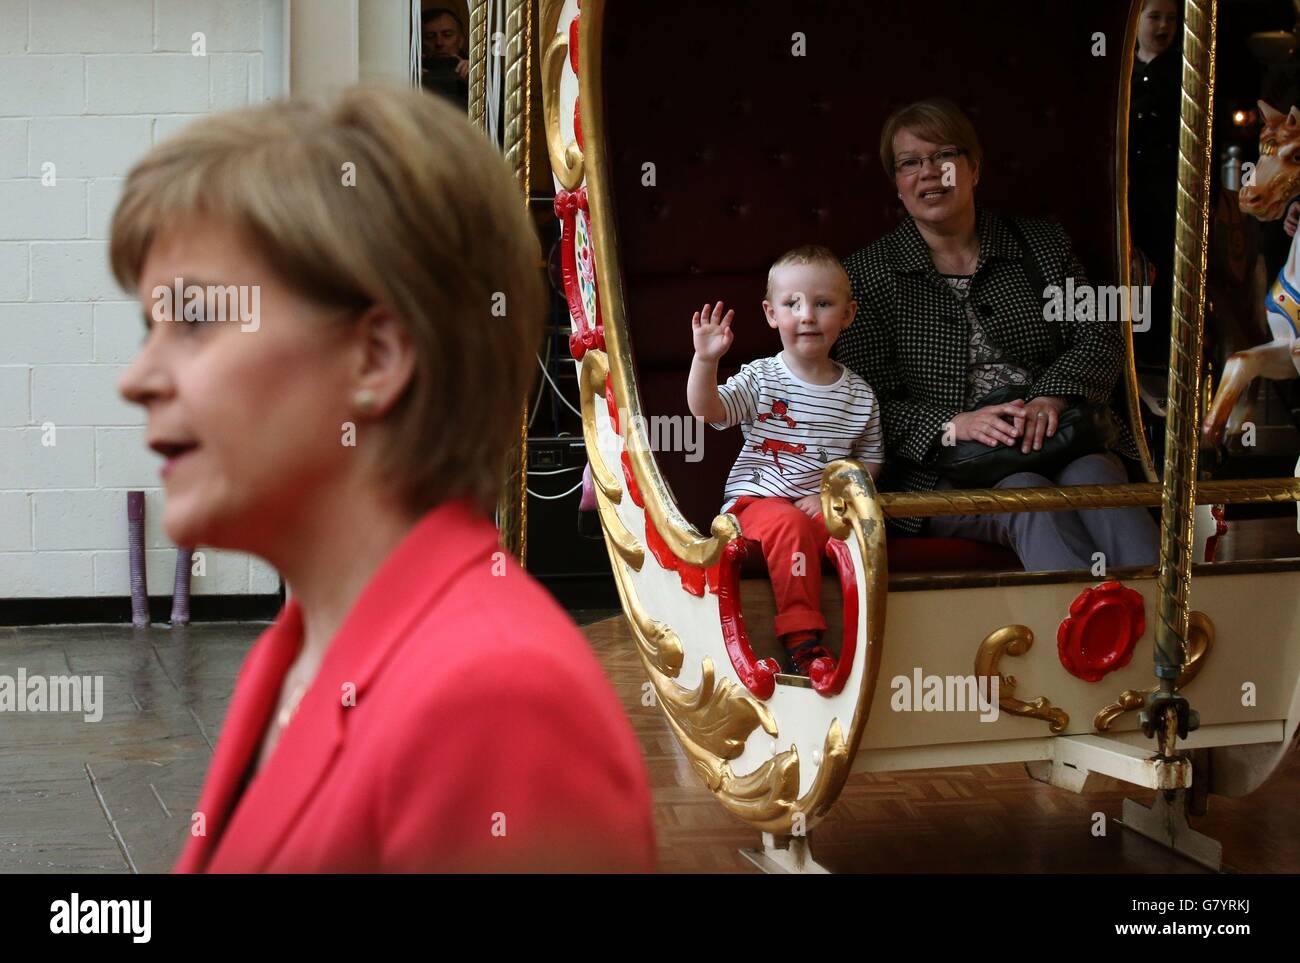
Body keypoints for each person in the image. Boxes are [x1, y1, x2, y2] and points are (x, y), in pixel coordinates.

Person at [112, 85, 655, 872]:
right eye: (148, 327)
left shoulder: (495, 701)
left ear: (376, 358)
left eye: (195, 320)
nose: (136, 378)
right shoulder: (294, 651)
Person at [834, 98, 1159, 573]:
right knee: (1025, 493)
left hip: (1061, 439)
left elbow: (1099, 334)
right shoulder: (866, 275)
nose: (929, 173)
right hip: (947, 472)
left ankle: (1175, 632)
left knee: (1097, 478)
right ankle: (1084, 639)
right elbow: (866, 399)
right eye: (910, 163)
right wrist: (951, 425)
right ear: (897, 185)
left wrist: (1051, 397)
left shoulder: (1041, 245)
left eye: (944, 156)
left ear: (974, 169)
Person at [688, 246, 884, 676]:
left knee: (859, 530)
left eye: (823, 304)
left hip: (821, 508)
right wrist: (706, 360)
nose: (807, 315)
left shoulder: (859, 395)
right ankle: (802, 640)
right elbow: (707, 411)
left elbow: (868, 464)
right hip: (757, 506)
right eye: (792, 304)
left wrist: (830, 497)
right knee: (790, 524)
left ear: (847, 314)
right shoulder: (762, 378)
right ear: (771, 313)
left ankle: (866, 638)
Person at [1129, 0, 1181, 367]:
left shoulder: (1181, 73)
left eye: (1171, 18)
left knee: (1163, 272)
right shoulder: (1121, 71)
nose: (1163, 26)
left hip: (1166, 195)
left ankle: (1161, 356)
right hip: (1128, 193)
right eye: (1155, 17)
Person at [421, 7, 470, 109]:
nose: (439, 43)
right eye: (430, 36)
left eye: (447, 35)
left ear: (461, 40)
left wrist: (477, 82)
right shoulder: (410, 73)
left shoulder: (479, 72)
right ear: (420, 43)